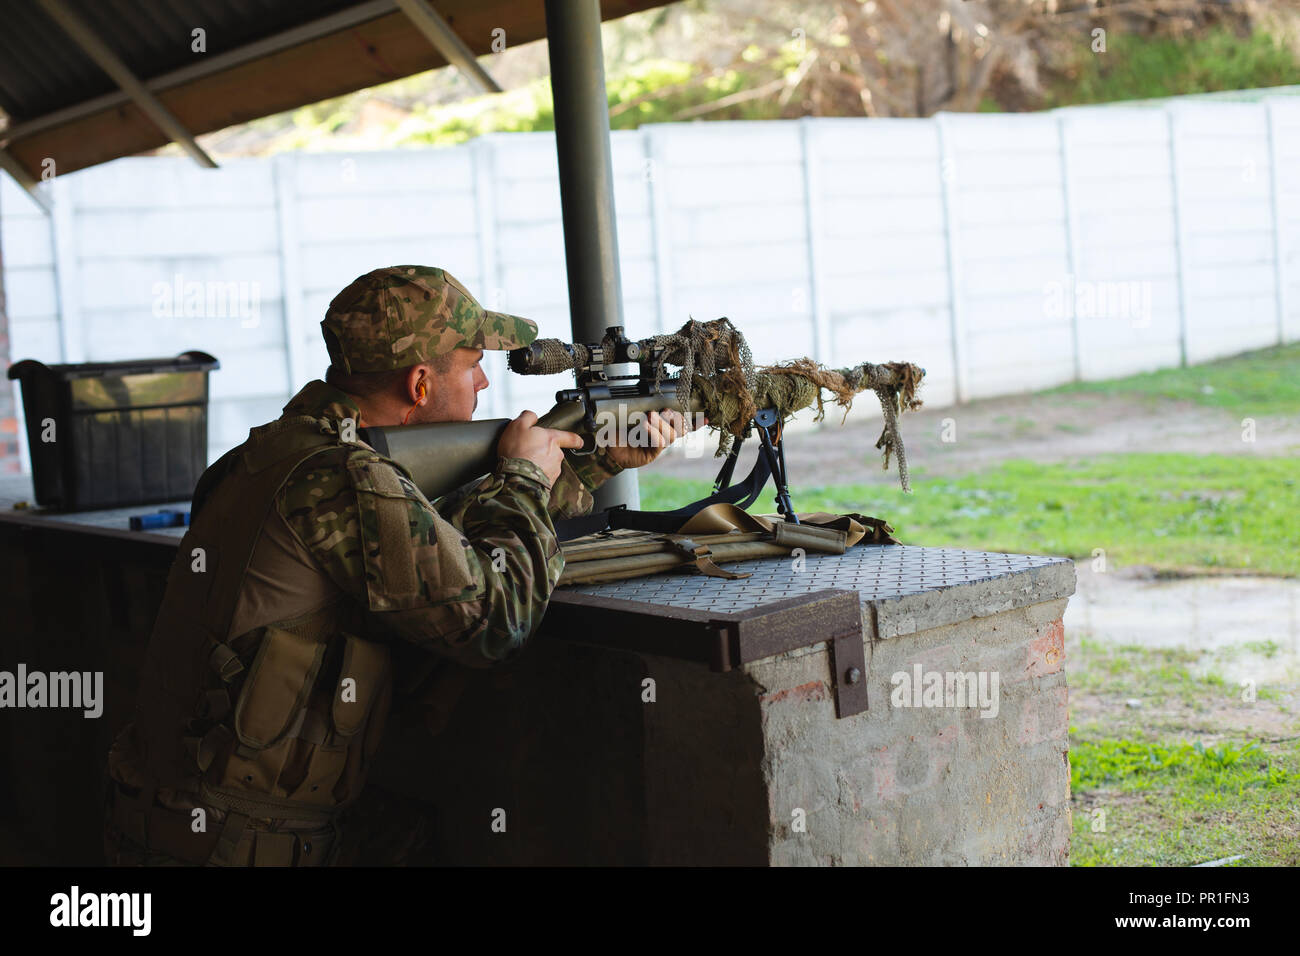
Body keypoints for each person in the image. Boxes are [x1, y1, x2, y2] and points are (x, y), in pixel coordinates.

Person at [103, 265, 687, 866]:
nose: (485, 381)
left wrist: (593, 464)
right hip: (234, 846)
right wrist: (523, 476)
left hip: (179, 827)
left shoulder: (267, 456)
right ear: (419, 385)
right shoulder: (345, 475)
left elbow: (425, 553)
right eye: (471, 363)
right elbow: (495, 621)